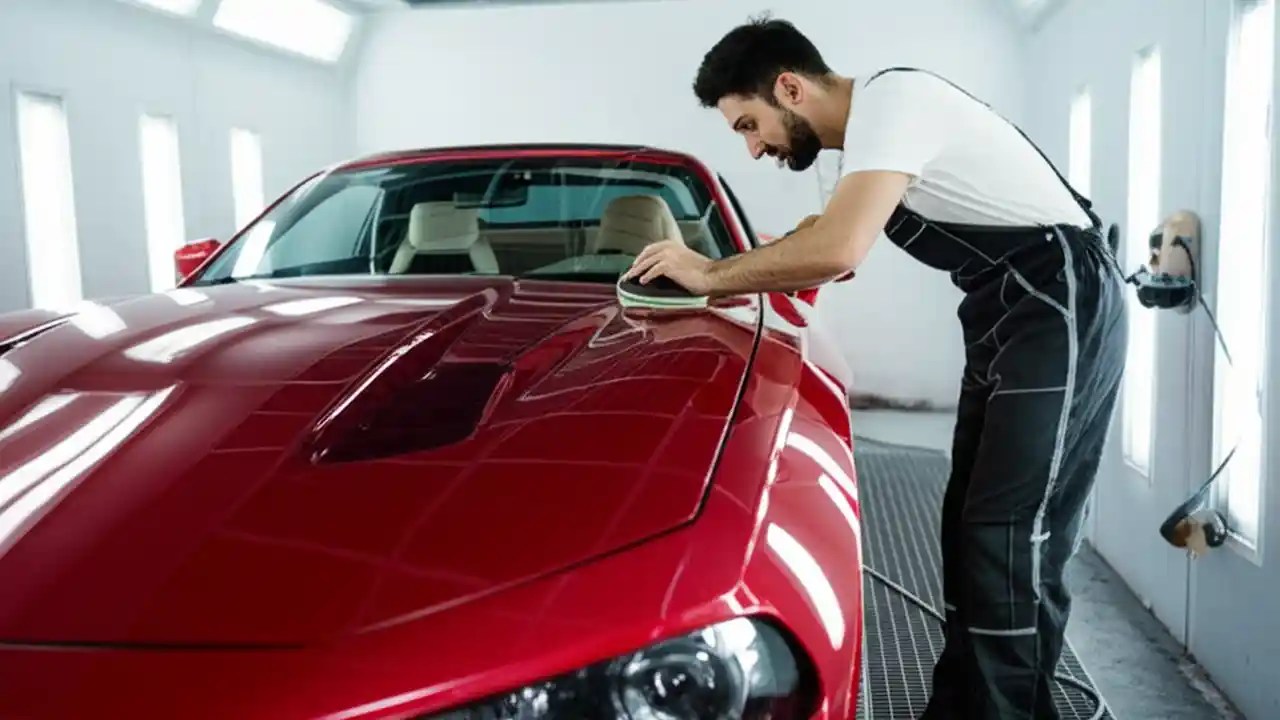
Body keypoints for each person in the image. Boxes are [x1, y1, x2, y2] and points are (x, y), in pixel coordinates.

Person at [622, 15, 1129, 720]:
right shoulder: (873, 136)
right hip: (1010, 309)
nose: (754, 147)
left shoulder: (894, 104)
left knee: (1009, 529)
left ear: (790, 87)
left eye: (747, 124)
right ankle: (969, 707)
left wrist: (708, 273)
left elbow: (839, 247)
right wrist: (733, 278)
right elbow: (820, 235)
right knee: (970, 523)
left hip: (1060, 296)